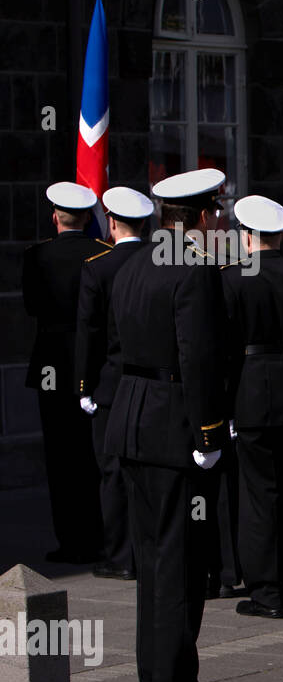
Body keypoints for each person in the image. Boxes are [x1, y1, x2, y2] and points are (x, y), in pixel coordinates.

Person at [103, 168, 233, 682]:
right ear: (201, 217)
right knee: (180, 563)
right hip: (173, 427)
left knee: (153, 561)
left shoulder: (132, 265)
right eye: (218, 212)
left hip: (133, 422)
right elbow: (197, 357)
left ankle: (153, 681)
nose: (222, 220)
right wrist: (209, 432)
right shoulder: (194, 271)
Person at [221, 195, 283, 619]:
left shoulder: (231, 279)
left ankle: (267, 592)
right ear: (281, 235)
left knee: (260, 494)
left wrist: (223, 404)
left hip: (252, 393)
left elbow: (222, 349)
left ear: (246, 236)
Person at [24, 182, 109, 564]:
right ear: (89, 217)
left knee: (60, 456)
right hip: (93, 359)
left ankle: (71, 540)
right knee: (95, 453)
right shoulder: (101, 253)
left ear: (54, 216)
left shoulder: (37, 255)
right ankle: (102, 535)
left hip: (52, 363)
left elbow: (31, 306)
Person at [76, 186, 151, 580]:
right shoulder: (158, 261)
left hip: (109, 384)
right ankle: (144, 550)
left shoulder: (98, 266)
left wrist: (85, 385)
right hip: (150, 383)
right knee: (145, 471)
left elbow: (89, 331)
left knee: (112, 471)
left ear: (111, 222)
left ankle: (121, 555)